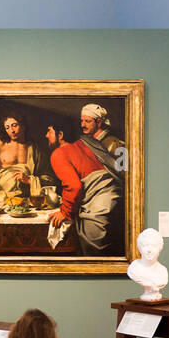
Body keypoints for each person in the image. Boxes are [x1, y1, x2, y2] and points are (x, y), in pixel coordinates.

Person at [46, 104, 125, 256]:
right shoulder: (84, 145)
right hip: (115, 195)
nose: (46, 135)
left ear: (60, 134)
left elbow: (74, 187)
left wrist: (65, 211)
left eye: (49, 131)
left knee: (95, 252)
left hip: (101, 202)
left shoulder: (58, 153)